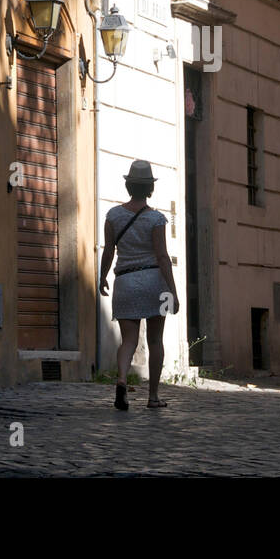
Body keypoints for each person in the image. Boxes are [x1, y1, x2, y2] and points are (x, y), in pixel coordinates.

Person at [98, 159, 178, 410]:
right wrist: (173, 292)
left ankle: (122, 380)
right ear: (149, 189)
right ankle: (153, 397)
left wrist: (103, 277)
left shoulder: (113, 215)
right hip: (154, 281)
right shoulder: (156, 219)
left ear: (129, 185)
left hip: (125, 280)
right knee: (155, 341)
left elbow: (108, 250)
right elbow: (163, 256)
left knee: (128, 341)